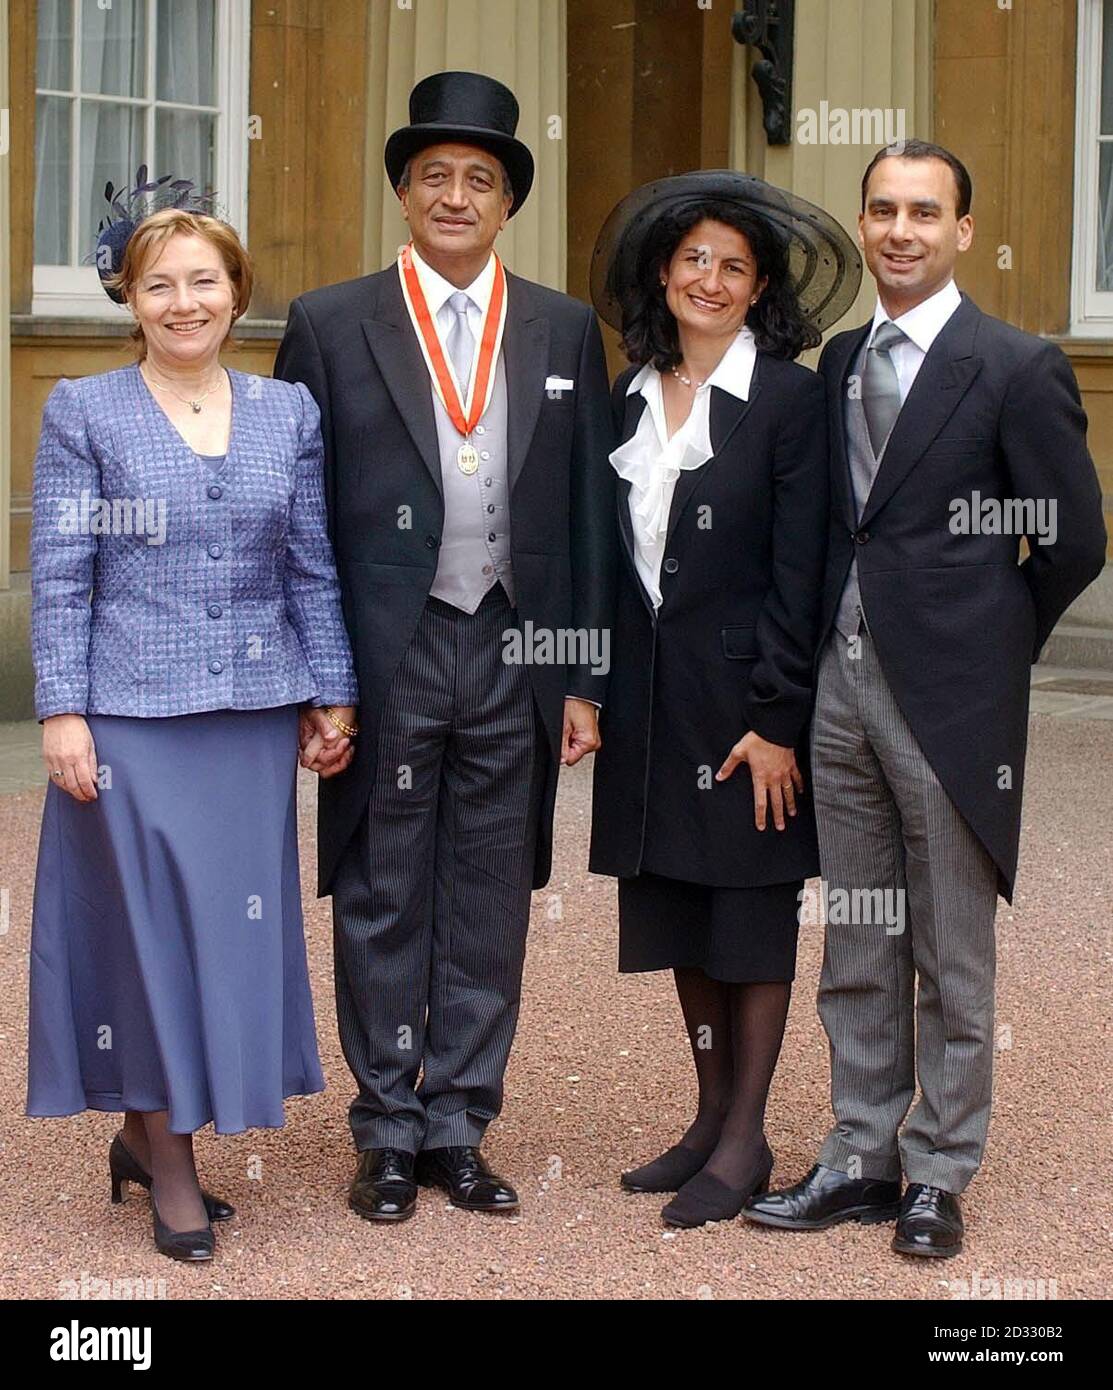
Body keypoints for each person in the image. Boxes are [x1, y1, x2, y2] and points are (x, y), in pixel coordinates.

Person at [743, 140, 1107, 1257]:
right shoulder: (844, 358)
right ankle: (860, 1150)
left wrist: (992, 641)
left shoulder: (1013, 364)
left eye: (924, 212)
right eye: (882, 210)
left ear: (960, 230)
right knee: (858, 930)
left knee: (951, 946)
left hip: (951, 700)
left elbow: (1073, 537)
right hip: (838, 696)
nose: (900, 230)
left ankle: (940, 1168)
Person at [274, 71, 616, 1222]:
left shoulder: (567, 327)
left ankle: (460, 1120)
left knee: (488, 888)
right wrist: (321, 679)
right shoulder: (331, 322)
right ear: (405, 194)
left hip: (515, 643)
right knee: (380, 884)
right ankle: (384, 1127)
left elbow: (584, 521)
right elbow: (300, 514)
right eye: (436, 177)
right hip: (389, 649)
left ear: (507, 200)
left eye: (480, 178)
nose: (457, 196)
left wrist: (582, 679)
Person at [26, 174, 358, 1262]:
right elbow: (62, 572)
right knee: (147, 939)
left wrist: (331, 688)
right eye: (157, 284)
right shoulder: (83, 409)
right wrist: (62, 713)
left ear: (235, 291)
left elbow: (311, 561)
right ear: (129, 298)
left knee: (227, 933)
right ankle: (169, 1159)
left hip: (251, 721)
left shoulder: (287, 410)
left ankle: (142, 1128)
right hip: (127, 720)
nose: (181, 302)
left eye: (202, 281)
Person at [587, 173, 859, 1227]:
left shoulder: (791, 399)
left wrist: (780, 720)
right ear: (665, 271)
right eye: (694, 258)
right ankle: (708, 1117)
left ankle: (747, 1137)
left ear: (758, 291)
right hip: (653, 706)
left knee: (747, 912)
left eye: (733, 266)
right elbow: (617, 566)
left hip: (749, 704)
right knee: (676, 909)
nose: (710, 278)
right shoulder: (625, 392)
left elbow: (808, 567)